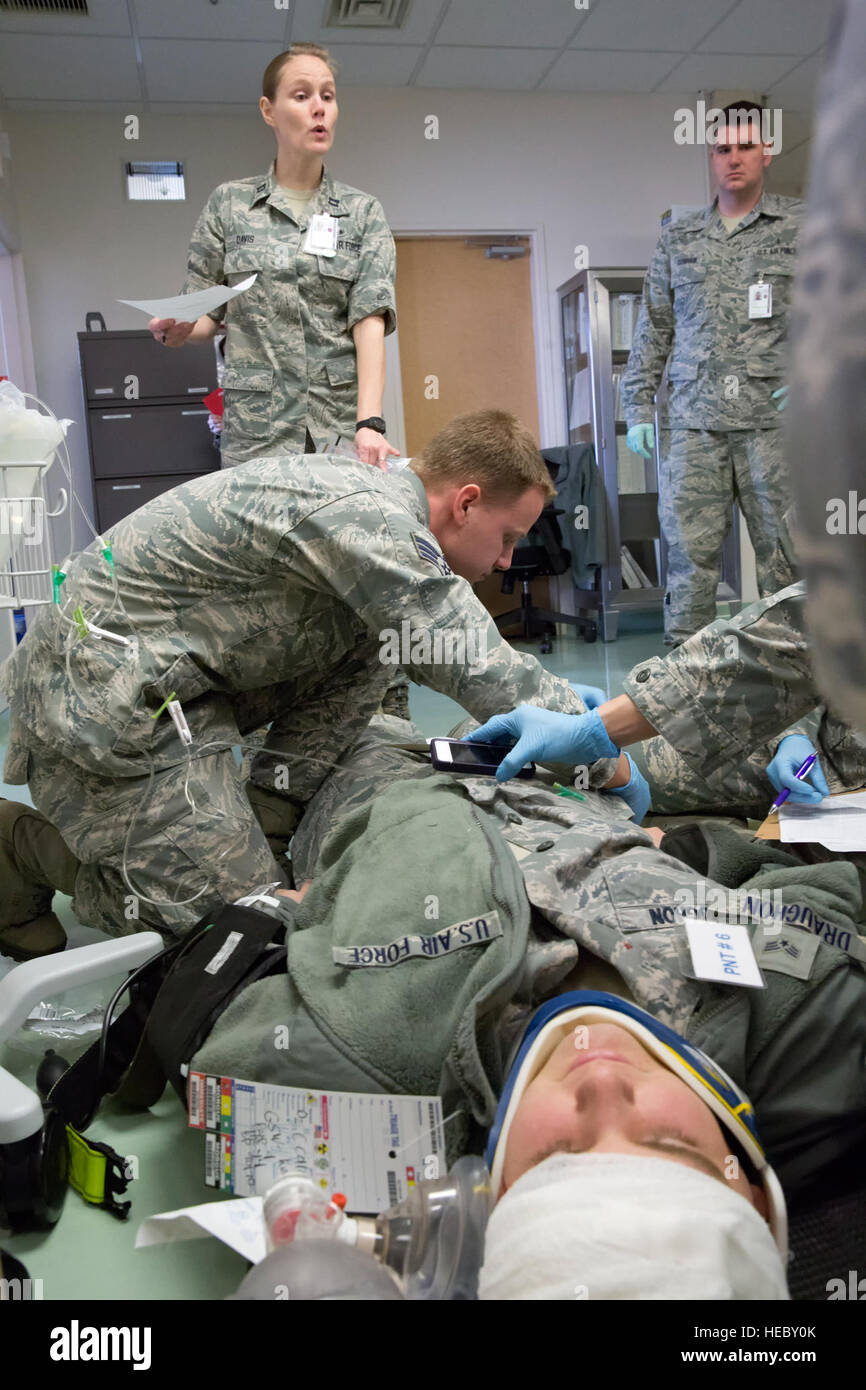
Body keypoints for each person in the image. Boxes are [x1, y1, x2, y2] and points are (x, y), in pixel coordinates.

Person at [178, 710, 866, 1297]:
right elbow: (809, 882)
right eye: (669, 1141)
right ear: (747, 1180)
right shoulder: (803, 1019)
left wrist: (295, 918)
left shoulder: (377, 1071)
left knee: (321, 722)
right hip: (570, 787)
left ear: (485, 1199)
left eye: (559, 1156)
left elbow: (218, 1023)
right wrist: (678, 844)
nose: (601, 1082)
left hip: (385, 791)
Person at [0, 411, 643, 956]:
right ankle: (24, 850)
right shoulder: (370, 520)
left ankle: (265, 828)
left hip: (177, 691)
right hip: (106, 708)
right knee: (247, 928)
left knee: (374, 644)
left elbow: (419, 648)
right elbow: (474, 659)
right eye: (507, 538)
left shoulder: (376, 508)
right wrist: (606, 754)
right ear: (466, 500)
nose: (507, 561)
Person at [465, 507, 866, 829]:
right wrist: (793, 736)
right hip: (820, 747)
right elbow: (787, 653)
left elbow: (821, 620)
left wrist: (596, 730)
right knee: (546, 764)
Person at [147, 42, 399, 470]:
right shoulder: (229, 205)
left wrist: (369, 421)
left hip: (335, 428)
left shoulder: (362, 213)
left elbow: (369, 321)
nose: (319, 108)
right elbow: (207, 315)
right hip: (255, 433)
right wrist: (180, 328)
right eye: (302, 96)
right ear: (269, 111)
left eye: (328, 96)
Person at [620, 103, 803, 645]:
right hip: (693, 425)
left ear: (767, 150)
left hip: (771, 424)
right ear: (710, 156)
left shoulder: (800, 226)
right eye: (722, 149)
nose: (733, 159)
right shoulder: (680, 237)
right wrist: (636, 407)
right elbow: (654, 326)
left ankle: (789, 685)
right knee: (689, 561)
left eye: (746, 147)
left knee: (785, 557)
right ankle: (683, 689)